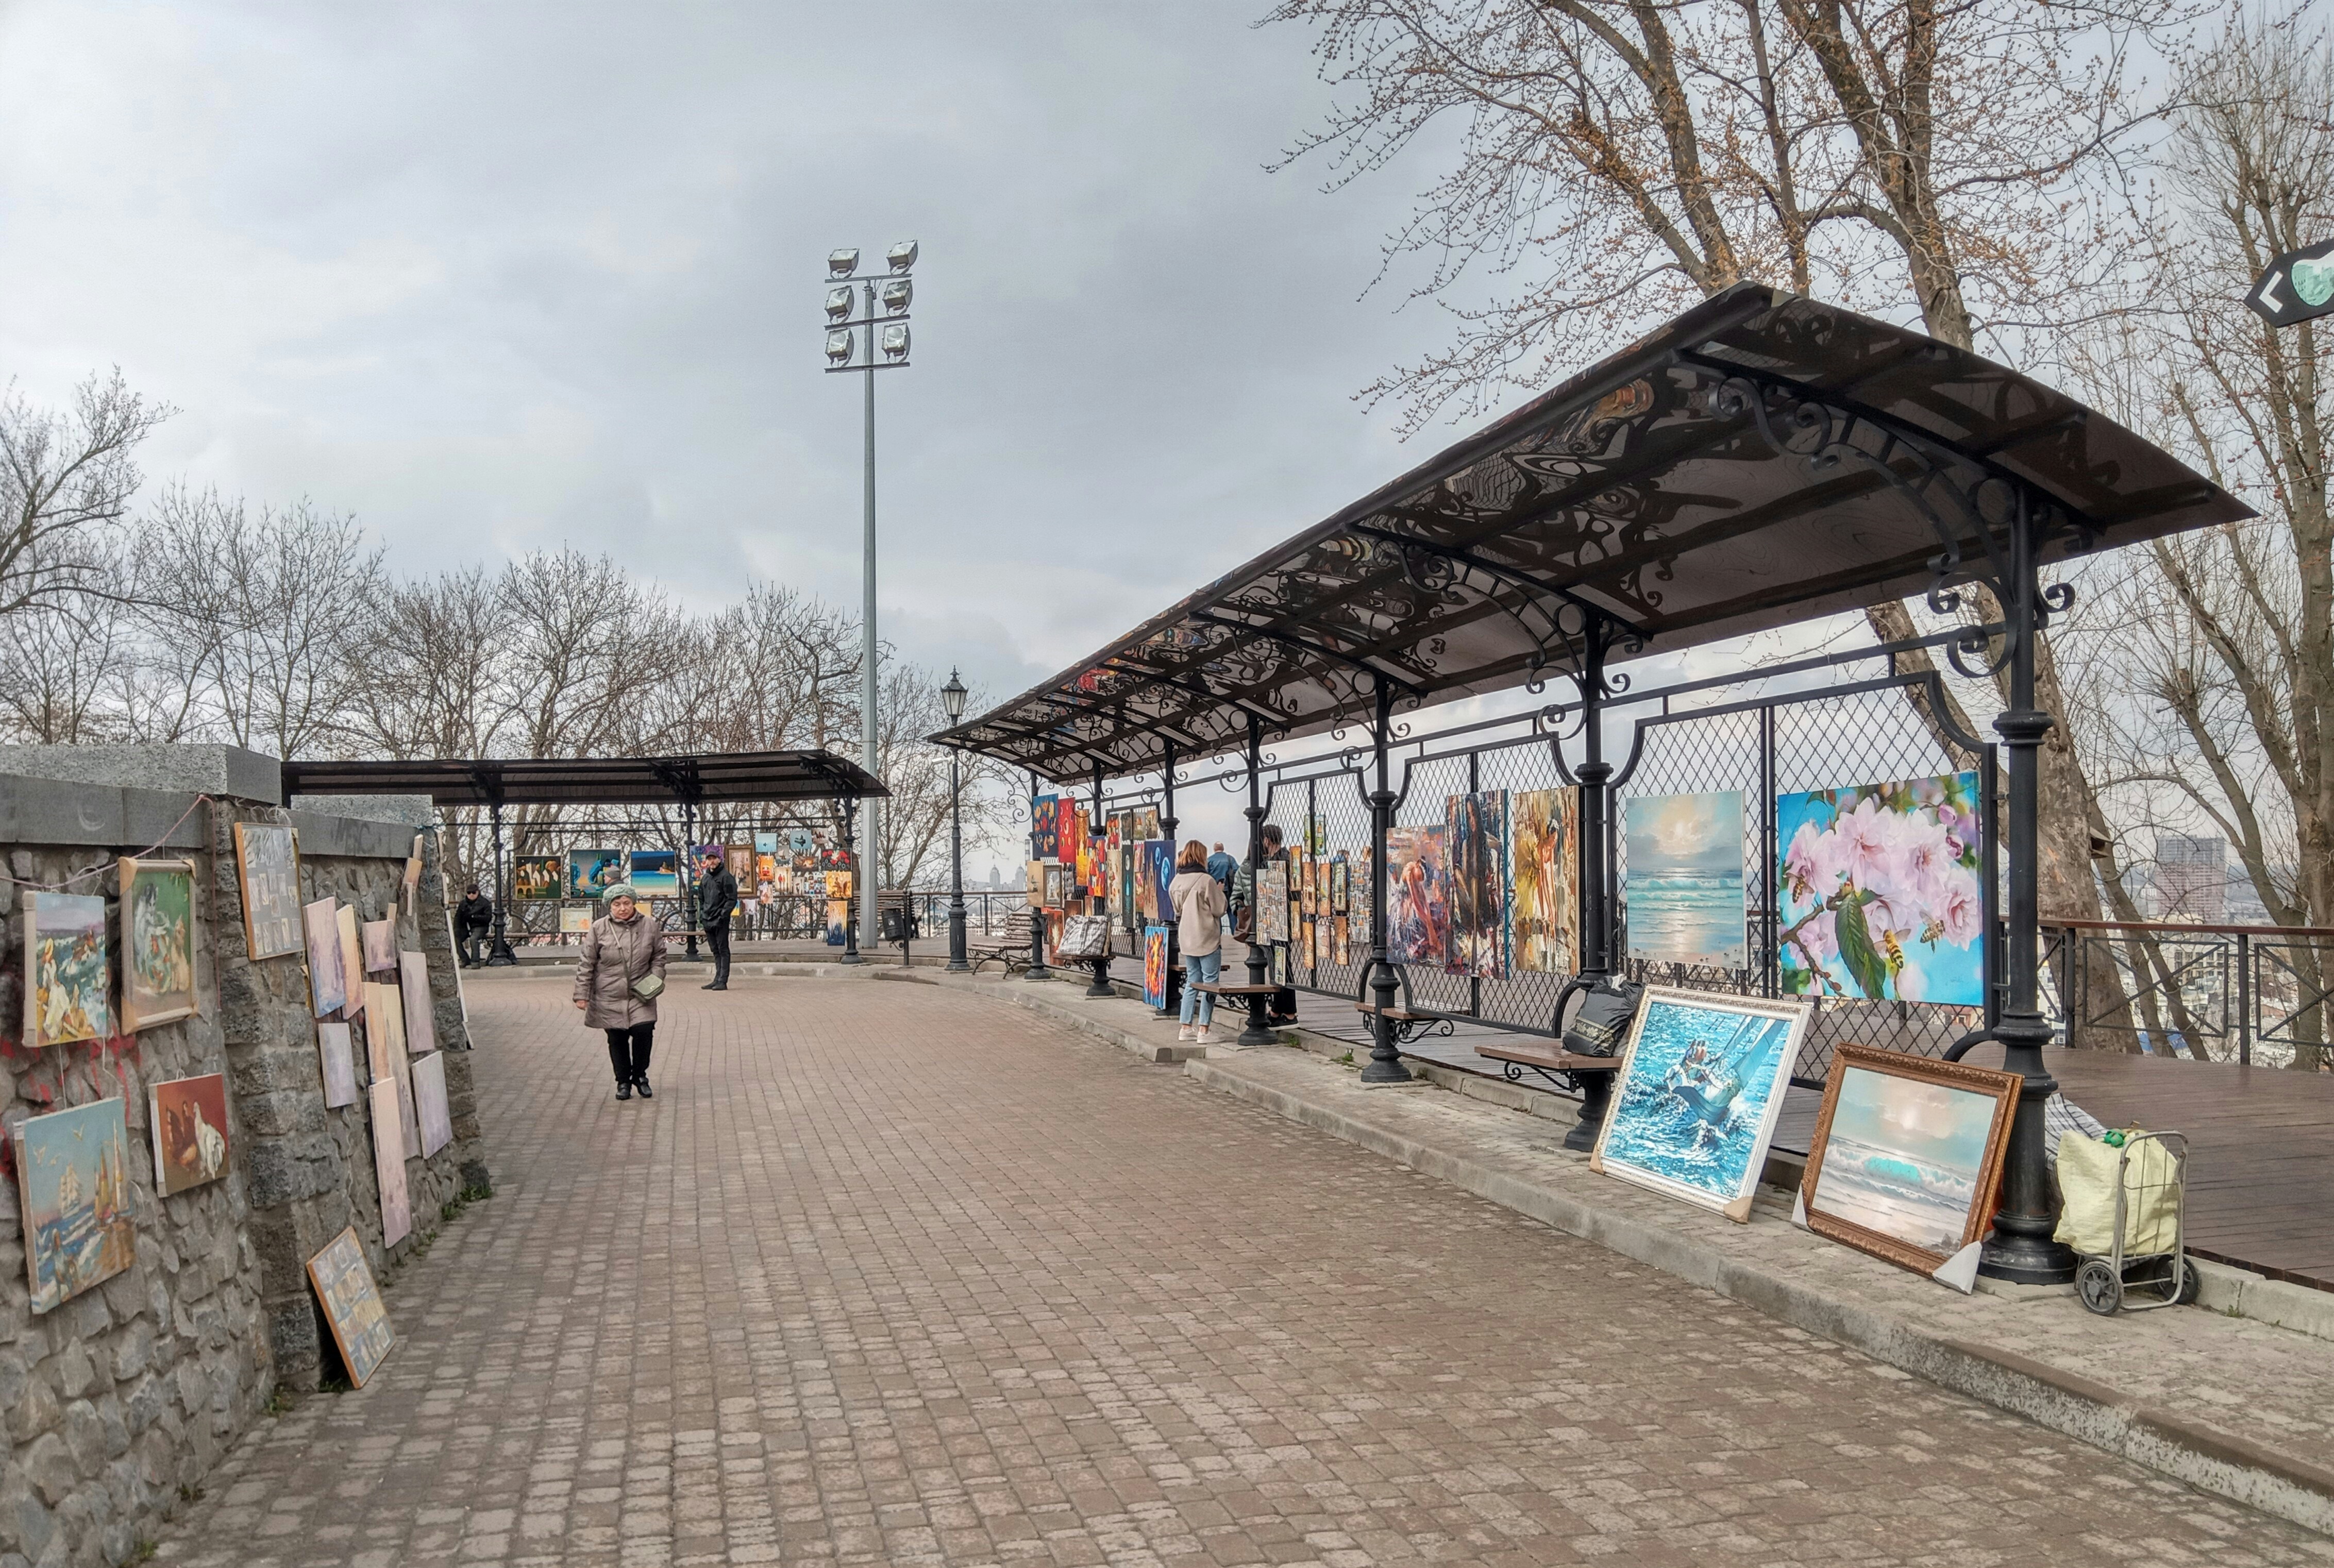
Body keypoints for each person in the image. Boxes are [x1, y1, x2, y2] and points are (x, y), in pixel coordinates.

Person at [573, 883, 668, 1101]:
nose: (623, 908)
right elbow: (587, 962)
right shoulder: (599, 928)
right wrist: (582, 994)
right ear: (610, 907)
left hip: (641, 992)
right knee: (617, 1039)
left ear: (634, 904)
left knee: (644, 1032)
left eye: (626, 903)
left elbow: (659, 955)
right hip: (609, 994)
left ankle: (641, 1076)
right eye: (617, 904)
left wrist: (656, 977)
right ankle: (623, 1082)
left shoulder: (650, 926)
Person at [1169, 839, 1229, 1043]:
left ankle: (1186, 1027)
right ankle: (1204, 1029)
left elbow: (1177, 910)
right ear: (1202, 856)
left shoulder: (1176, 881)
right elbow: (1219, 910)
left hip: (1187, 939)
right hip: (1207, 937)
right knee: (1210, 982)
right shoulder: (1206, 881)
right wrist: (1220, 891)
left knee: (1192, 982)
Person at [695, 848, 737, 990]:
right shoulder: (706, 878)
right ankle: (717, 979)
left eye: (714, 859)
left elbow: (731, 899)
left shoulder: (726, 877)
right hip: (708, 919)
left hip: (720, 920)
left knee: (723, 949)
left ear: (719, 860)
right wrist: (702, 915)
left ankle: (723, 980)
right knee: (715, 951)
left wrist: (722, 916)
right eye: (710, 859)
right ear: (706, 862)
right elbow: (701, 897)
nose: (712, 862)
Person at [455, 883, 494, 968]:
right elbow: (458, 918)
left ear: (478, 892)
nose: (471, 895)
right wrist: (457, 929)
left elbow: (488, 918)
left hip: (480, 927)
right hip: (466, 927)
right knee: (455, 939)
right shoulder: (463, 904)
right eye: (469, 893)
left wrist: (474, 917)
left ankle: (475, 962)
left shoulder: (485, 903)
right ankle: (465, 960)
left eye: (473, 893)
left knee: (474, 939)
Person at [1205, 841, 1238, 932]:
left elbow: (1206, 874)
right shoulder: (1230, 859)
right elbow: (1237, 870)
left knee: (1217, 912)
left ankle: (1219, 933)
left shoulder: (1209, 860)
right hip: (1229, 889)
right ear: (1223, 849)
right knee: (1231, 912)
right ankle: (1235, 933)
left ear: (1214, 849)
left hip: (1215, 890)